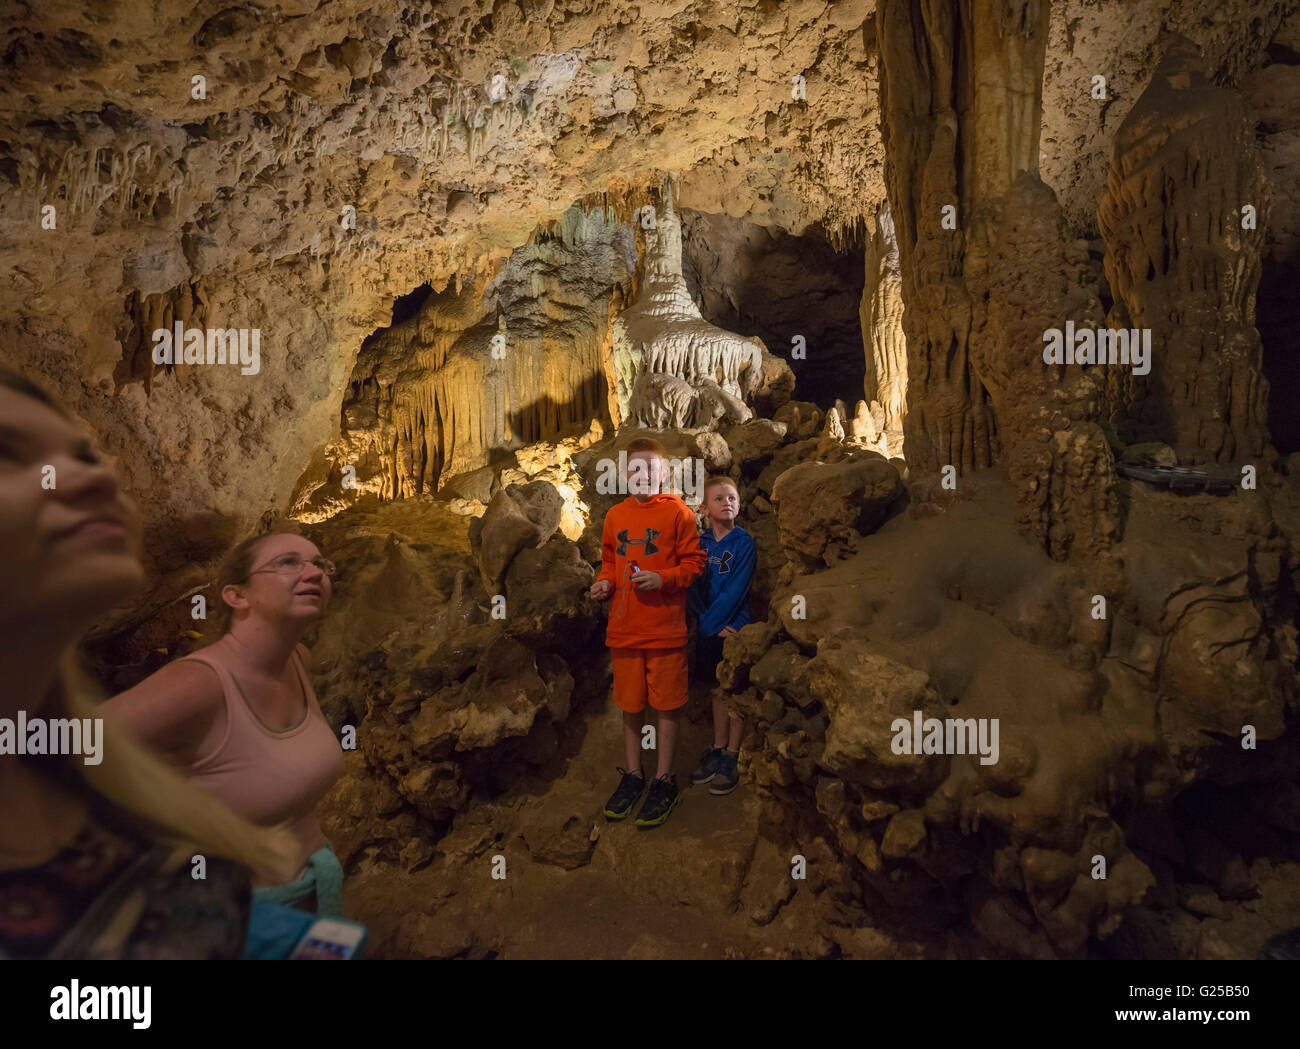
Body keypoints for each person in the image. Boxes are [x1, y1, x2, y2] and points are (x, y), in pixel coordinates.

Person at [0, 365, 299, 959]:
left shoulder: (115, 809)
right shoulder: (195, 684)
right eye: (6, 455)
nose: (94, 474)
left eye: (86, 453)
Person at [105, 530, 346, 917]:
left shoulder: (298, 660)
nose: (314, 573)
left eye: (320, 564)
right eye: (289, 562)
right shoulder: (198, 685)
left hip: (307, 897)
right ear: (237, 595)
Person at [588, 437, 707, 828]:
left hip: (665, 628)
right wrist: (604, 582)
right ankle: (634, 773)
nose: (643, 476)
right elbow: (609, 560)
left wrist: (664, 578)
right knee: (630, 703)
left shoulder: (679, 514)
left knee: (667, 703)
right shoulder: (615, 516)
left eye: (651, 470)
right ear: (625, 474)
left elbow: (694, 563)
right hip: (624, 628)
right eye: (635, 470)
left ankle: (664, 778)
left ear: (664, 475)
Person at [687, 475, 756, 795]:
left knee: (732, 692)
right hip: (708, 627)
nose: (727, 502)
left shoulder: (744, 543)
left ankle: (732, 752)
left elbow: (736, 590)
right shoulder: (699, 544)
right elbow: (691, 588)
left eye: (732, 497)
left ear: (739, 505)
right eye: (719, 498)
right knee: (716, 691)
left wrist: (711, 625)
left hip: (733, 629)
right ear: (704, 508)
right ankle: (717, 746)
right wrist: (703, 620)